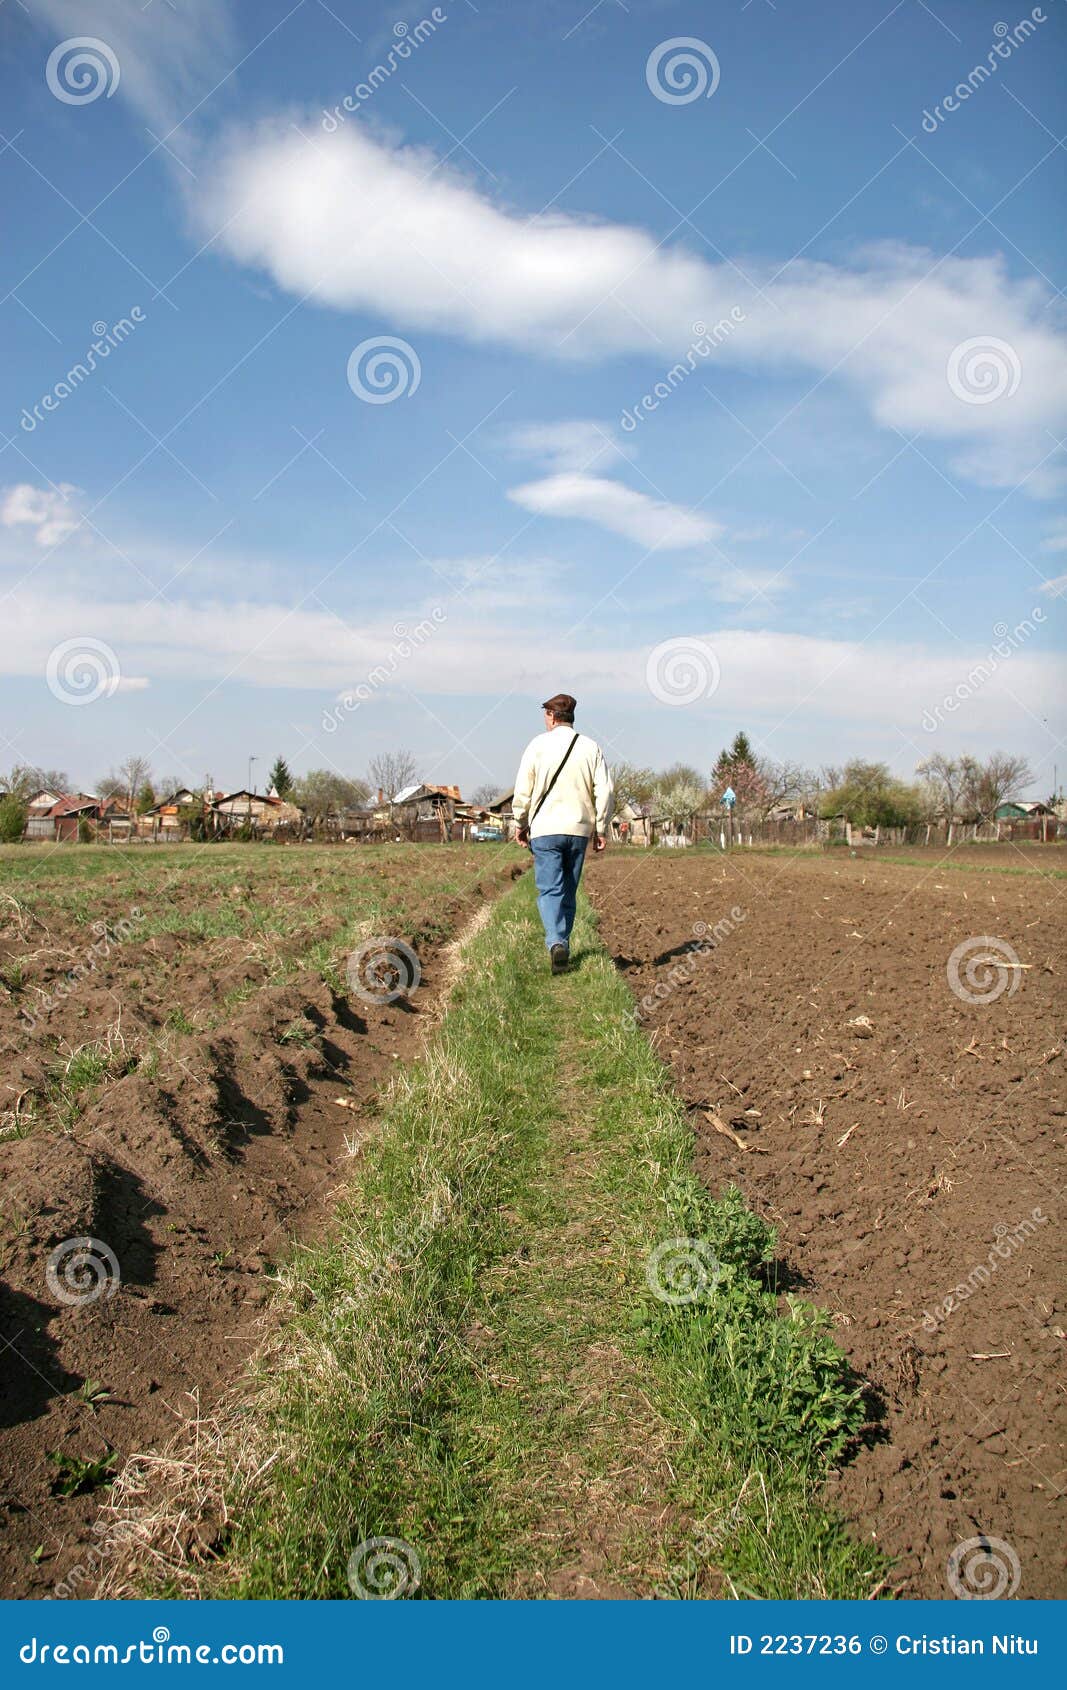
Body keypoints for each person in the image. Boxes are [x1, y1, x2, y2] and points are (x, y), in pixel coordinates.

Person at [513, 693, 614, 973]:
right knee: (569, 890)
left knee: (550, 889)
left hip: (545, 830)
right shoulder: (591, 747)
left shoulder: (536, 746)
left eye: (545, 714)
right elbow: (604, 791)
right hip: (579, 829)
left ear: (552, 716)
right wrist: (602, 827)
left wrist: (520, 823)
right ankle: (563, 948)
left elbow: (523, 790)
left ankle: (556, 942)